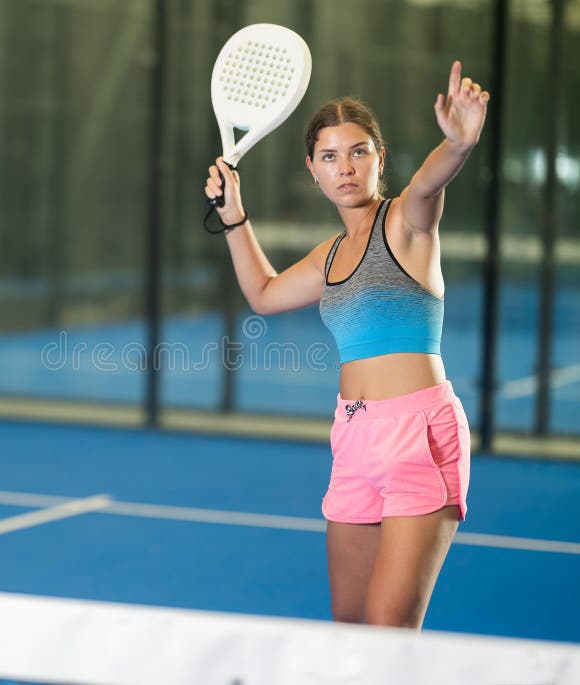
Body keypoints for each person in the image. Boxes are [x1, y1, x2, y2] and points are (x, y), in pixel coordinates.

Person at [203, 60, 489, 630]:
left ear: (380, 157)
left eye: (358, 152)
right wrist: (234, 218)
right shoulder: (328, 257)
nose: (346, 168)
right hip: (354, 438)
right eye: (330, 157)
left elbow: (431, 181)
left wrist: (457, 145)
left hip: (418, 434)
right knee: (350, 627)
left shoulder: (407, 222)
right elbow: (262, 293)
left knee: (388, 630)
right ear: (312, 169)